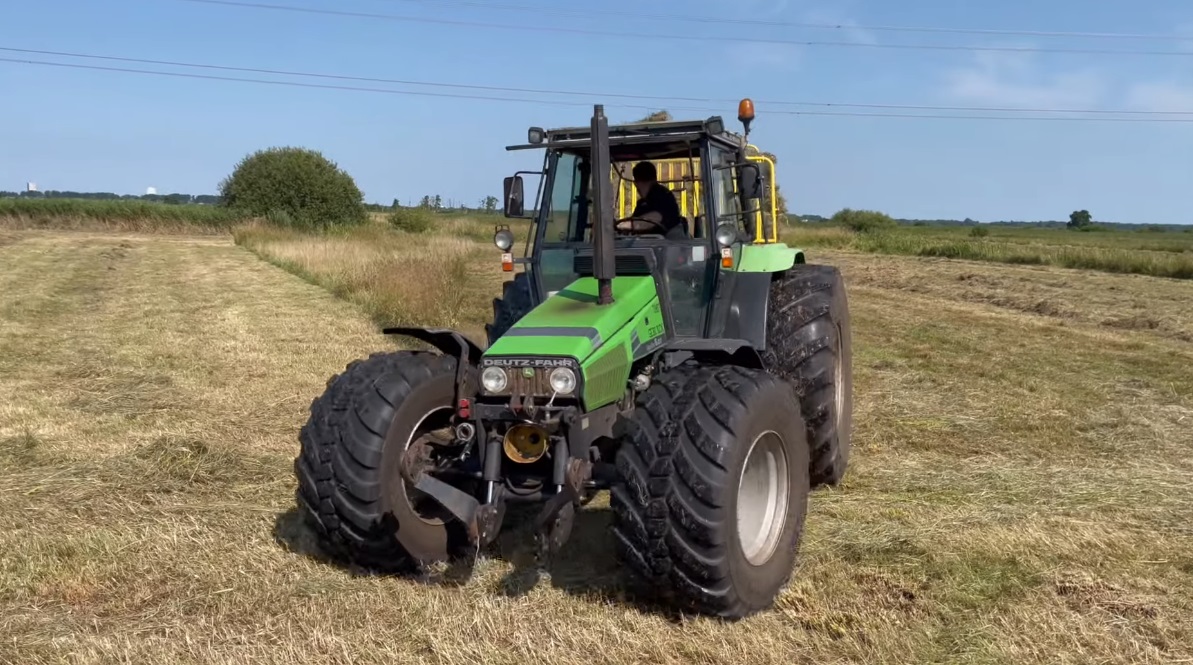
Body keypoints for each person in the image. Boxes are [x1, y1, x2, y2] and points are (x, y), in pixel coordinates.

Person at [615, 161, 686, 239]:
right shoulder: (642, 203)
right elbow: (636, 221)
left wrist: (626, 225)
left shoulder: (662, 195)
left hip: (670, 245)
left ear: (636, 183)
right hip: (650, 246)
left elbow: (655, 218)